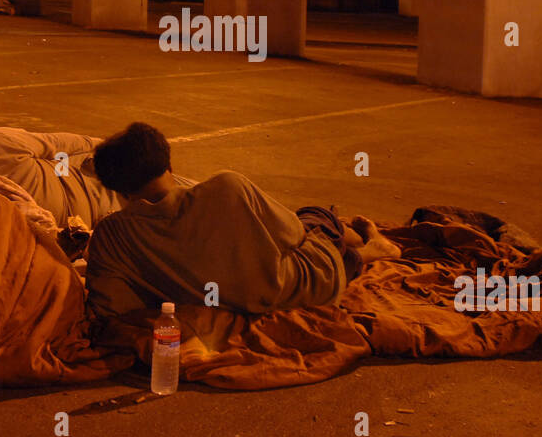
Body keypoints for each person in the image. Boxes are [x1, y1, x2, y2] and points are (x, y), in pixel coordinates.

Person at [85, 122, 399, 319]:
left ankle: (355, 239)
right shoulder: (226, 187)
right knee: (316, 220)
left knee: (304, 227)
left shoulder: (111, 235)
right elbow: (292, 235)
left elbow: (113, 304)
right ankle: (374, 249)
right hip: (291, 290)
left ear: (118, 188)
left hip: (215, 305)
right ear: (168, 161)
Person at [0, 126, 193, 228]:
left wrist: (109, 150)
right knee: (180, 204)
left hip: (96, 174)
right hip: (111, 206)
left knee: (181, 195)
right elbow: (62, 145)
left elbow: (61, 145)